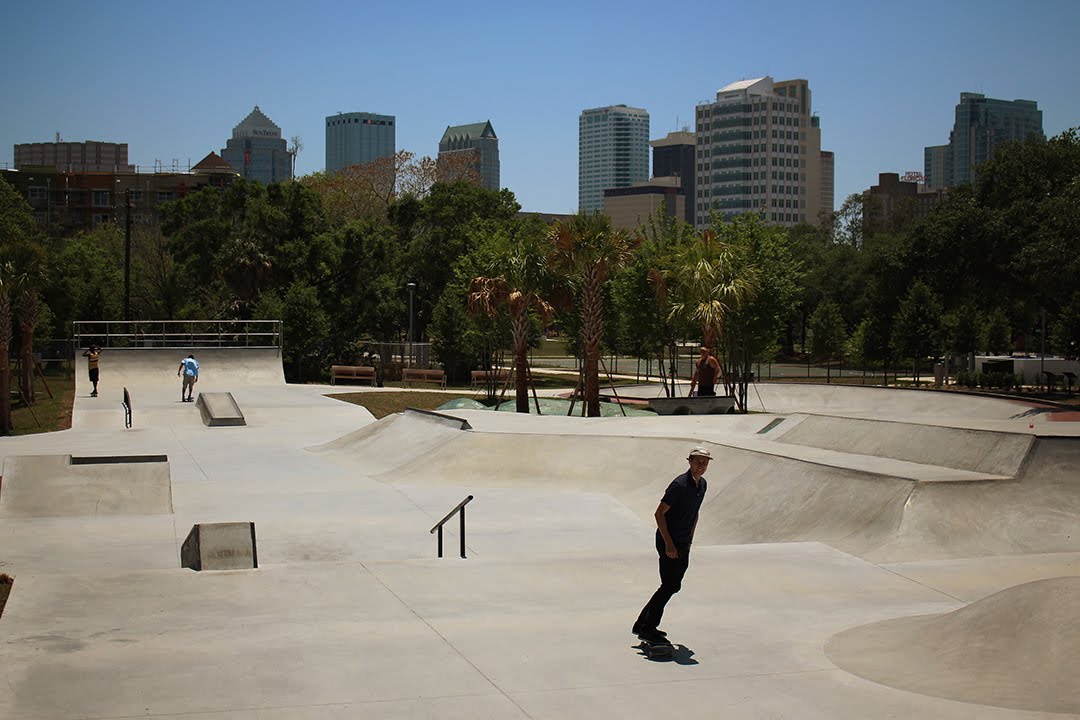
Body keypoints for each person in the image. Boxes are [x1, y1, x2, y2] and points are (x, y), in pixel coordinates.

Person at [632, 446, 711, 643]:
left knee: (671, 586)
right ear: (689, 461)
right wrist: (669, 544)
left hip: (684, 541)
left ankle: (642, 624)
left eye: (705, 462)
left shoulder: (702, 485)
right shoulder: (679, 485)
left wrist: (690, 540)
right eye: (697, 461)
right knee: (669, 585)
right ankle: (647, 628)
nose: (701, 465)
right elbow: (659, 514)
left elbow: (695, 513)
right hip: (669, 541)